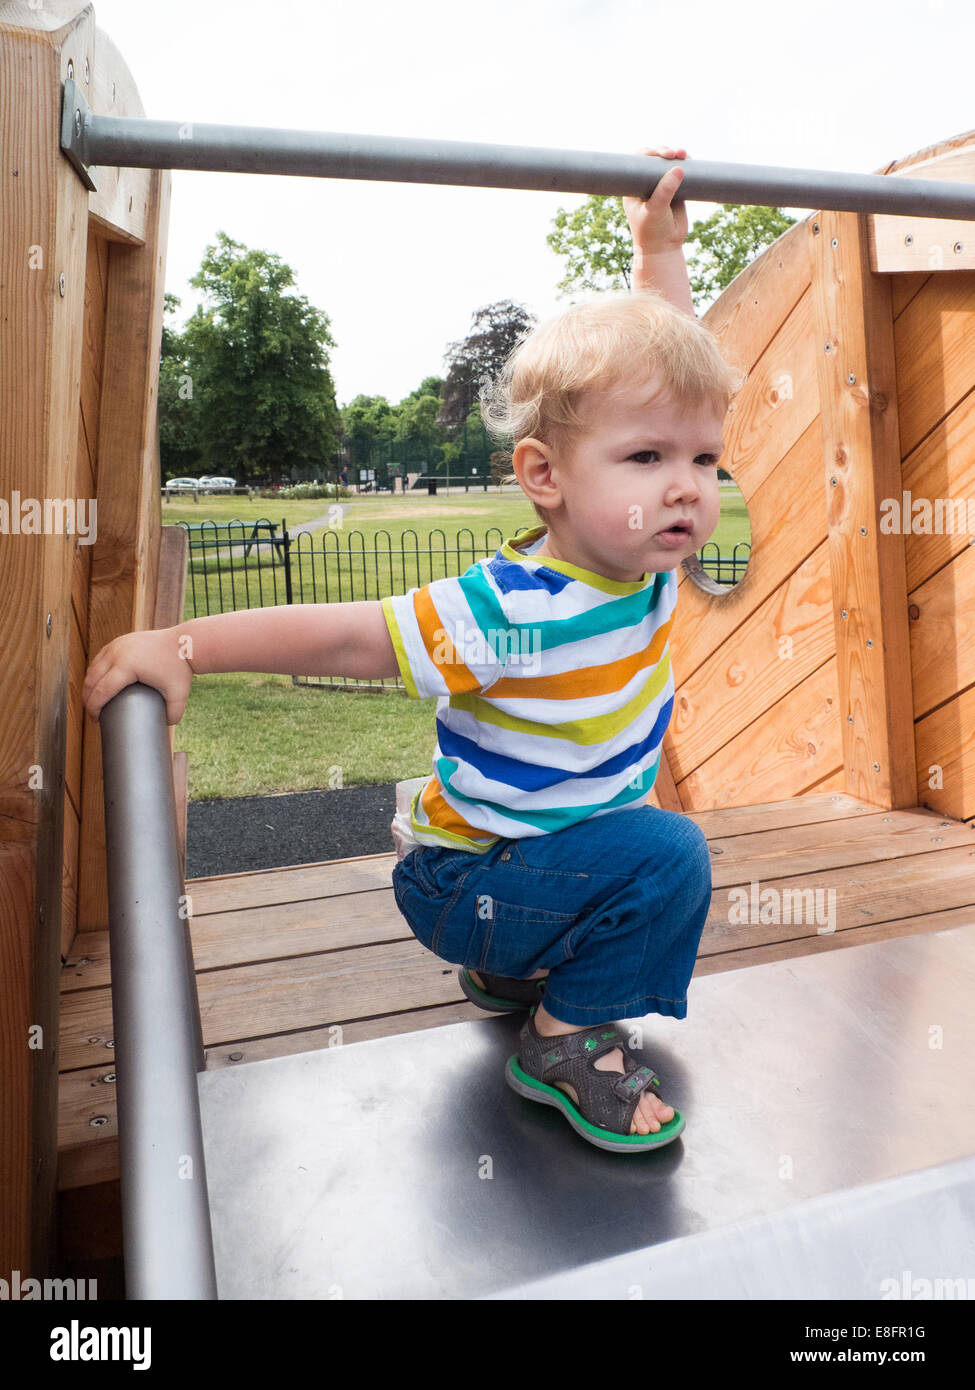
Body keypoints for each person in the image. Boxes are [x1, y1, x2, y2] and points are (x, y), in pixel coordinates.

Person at [82, 146, 742, 1154]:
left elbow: (676, 357)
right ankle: (563, 1042)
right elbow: (351, 633)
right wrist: (184, 642)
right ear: (545, 474)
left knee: (629, 837)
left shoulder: (645, 558)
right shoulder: (510, 606)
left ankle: (519, 971)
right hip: (465, 884)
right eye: (648, 457)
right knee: (669, 853)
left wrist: (657, 246)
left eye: (704, 458)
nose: (689, 483)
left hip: (521, 870)